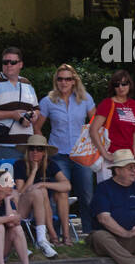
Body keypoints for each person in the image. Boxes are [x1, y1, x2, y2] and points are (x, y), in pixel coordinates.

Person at [39, 63, 96, 235]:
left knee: (87, 194)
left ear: (74, 81)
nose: (64, 82)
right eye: (60, 79)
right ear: (56, 81)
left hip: (81, 154)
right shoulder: (48, 101)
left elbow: (97, 123)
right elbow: (37, 127)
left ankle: (90, 233)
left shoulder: (85, 98)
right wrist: (43, 150)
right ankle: (57, 234)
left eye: (67, 79)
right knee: (58, 196)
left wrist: (92, 144)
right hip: (58, 154)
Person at [0, 47, 42, 160]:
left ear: (21, 64)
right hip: (0, 146)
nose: (9, 65)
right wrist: (13, 115)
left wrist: (34, 115)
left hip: (25, 146)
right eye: (5, 62)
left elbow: (36, 108)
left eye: (13, 62)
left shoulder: (27, 84)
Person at [13, 135, 70, 255]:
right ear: (27, 151)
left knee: (62, 194)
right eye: (32, 148)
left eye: (39, 149)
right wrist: (33, 172)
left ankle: (66, 236)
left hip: (45, 205)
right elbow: (20, 192)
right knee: (42, 192)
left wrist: (42, 184)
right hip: (25, 205)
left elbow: (67, 185)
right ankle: (53, 236)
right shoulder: (19, 164)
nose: (35, 152)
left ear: (44, 152)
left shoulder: (50, 164)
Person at [88, 70, 135, 183]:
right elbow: (93, 130)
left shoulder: (134, 105)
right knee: (109, 195)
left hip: (128, 157)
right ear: (113, 87)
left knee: (126, 194)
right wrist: (105, 154)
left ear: (130, 85)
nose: (121, 87)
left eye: (124, 83)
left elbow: (133, 132)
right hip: (111, 156)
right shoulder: (107, 103)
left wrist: (134, 153)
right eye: (116, 84)